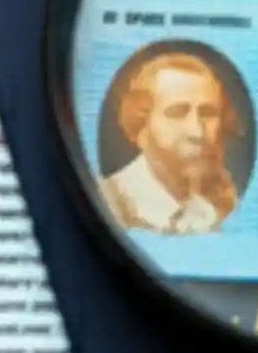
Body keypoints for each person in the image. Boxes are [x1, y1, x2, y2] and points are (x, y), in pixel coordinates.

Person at [99, 51, 242, 234]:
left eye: (208, 113)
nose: (197, 132)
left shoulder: (214, 212)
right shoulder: (108, 200)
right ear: (141, 125)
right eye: (177, 113)